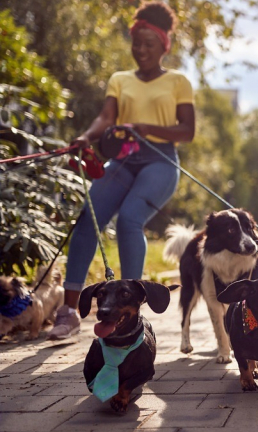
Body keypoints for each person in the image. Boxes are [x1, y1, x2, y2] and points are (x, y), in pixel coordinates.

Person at [48, 1, 195, 340]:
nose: (141, 50)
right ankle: (68, 311)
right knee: (89, 218)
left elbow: (187, 131)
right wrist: (85, 137)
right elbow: (105, 119)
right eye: (136, 43)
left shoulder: (178, 81)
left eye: (149, 44)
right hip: (123, 160)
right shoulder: (120, 79)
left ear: (163, 46)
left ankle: (131, 316)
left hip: (160, 161)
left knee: (130, 219)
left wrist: (145, 127)